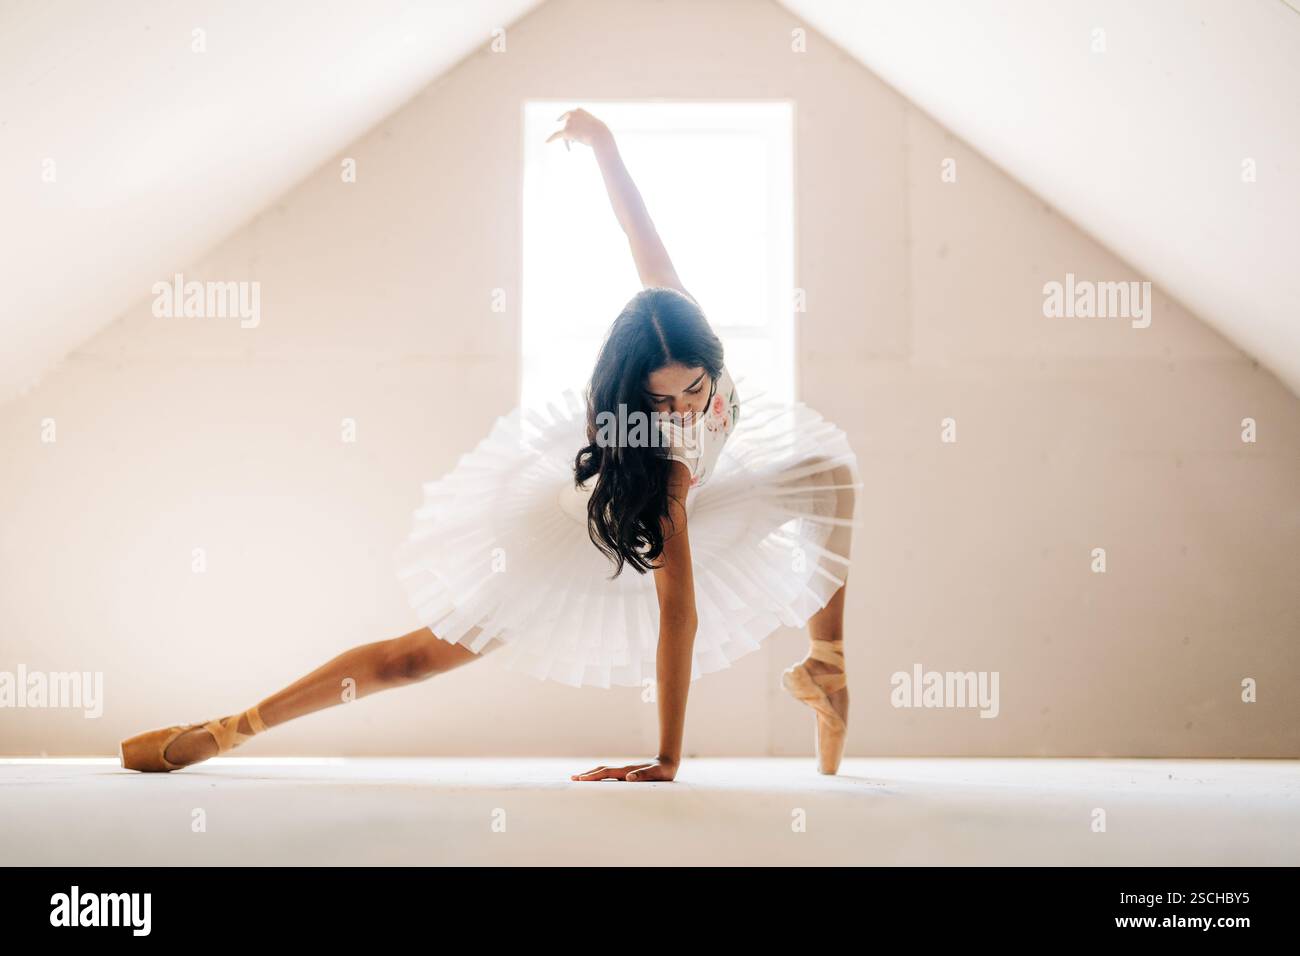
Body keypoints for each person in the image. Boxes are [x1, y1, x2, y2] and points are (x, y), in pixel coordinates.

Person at [119, 108, 863, 781]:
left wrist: (604, 147)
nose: (683, 408)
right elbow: (678, 614)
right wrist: (668, 757)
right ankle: (227, 729)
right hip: (590, 529)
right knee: (415, 660)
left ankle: (824, 666)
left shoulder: (685, 327)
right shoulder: (658, 459)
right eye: (659, 399)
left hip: (702, 492)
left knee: (829, 472)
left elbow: (641, 237)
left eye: (694, 390)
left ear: (711, 359)